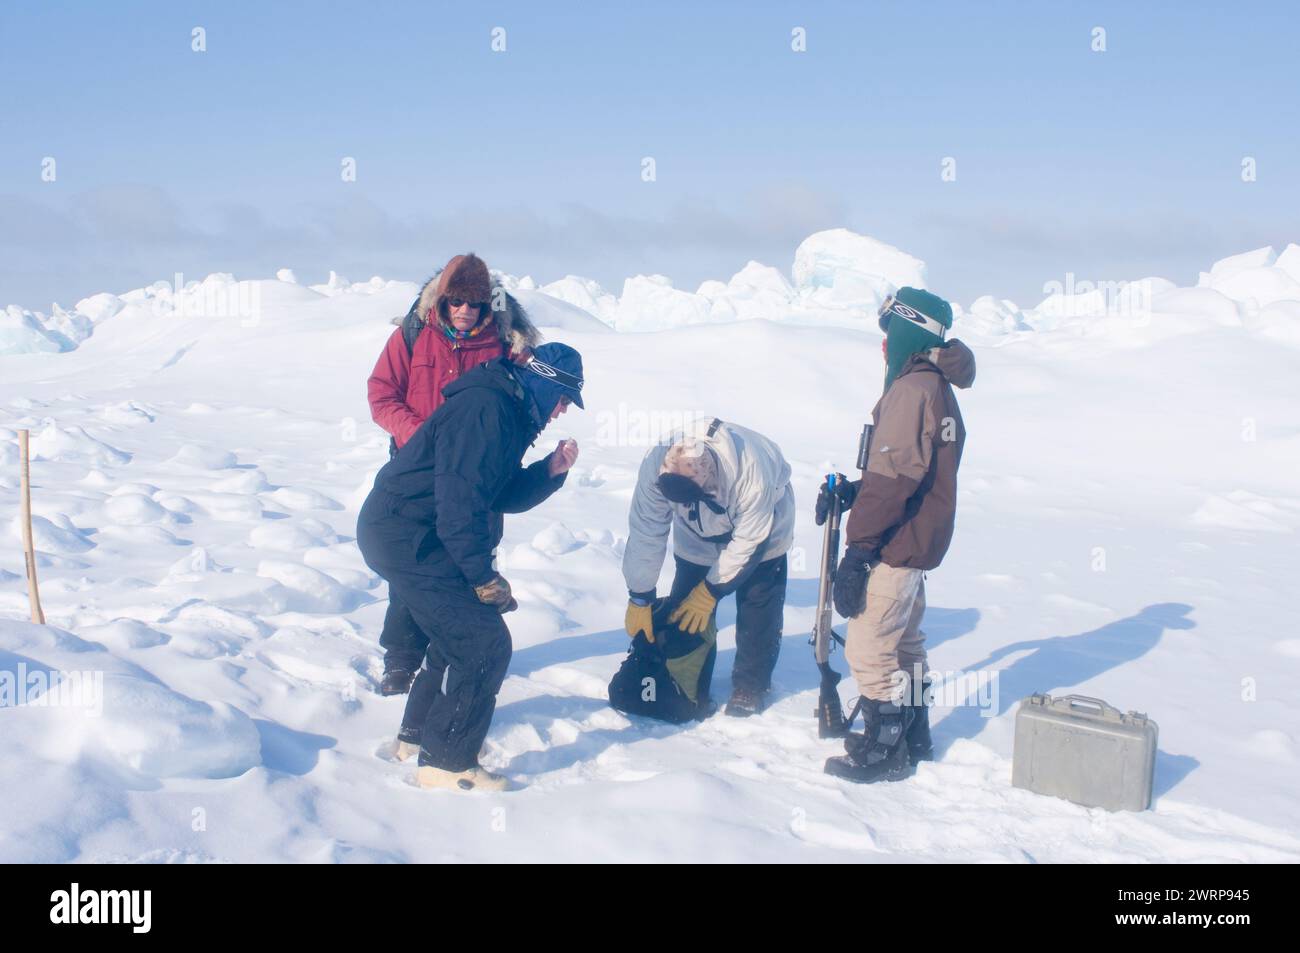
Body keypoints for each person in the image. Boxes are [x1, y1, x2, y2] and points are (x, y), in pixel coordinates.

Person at [357, 343, 585, 791]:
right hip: (407, 534)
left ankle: (420, 735)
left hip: (411, 530)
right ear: (544, 383)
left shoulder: (505, 409)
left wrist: (549, 471)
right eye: (563, 400)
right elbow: (459, 505)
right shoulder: (487, 410)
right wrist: (480, 576)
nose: (561, 412)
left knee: (461, 632)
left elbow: (494, 493)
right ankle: (447, 763)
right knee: (482, 642)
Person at [820, 287, 975, 784]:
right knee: (906, 645)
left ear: (907, 330)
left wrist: (860, 551)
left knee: (869, 647)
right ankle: (913, 734)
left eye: (888, 334)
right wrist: (856, 490)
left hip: (894, 545)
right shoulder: (935, 385)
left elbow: (893, 481)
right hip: (916, 542)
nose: (882, 345)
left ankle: (884, 748)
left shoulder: (911, 390)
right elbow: (907, 473)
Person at [366, 253, 540, 695]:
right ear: (442, 301)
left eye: (476, 303)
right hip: (416, 469)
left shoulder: (504, 344)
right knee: (415, 558)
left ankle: (458, 648)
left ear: (488, 306)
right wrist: (420, 436)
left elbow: (526, 399)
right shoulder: (412, 336)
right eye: (456, 301)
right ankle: (402, 659)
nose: (465, 311)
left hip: (479, 475)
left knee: (471, 553)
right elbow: (381, 395)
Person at [622, 417, 795, 717]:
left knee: (758, 599)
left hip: (765, 522)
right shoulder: (656, 465)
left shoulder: (752, 475)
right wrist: (640, 595)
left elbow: (749, 542)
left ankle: (750, 686)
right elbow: (646, 531)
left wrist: (712, 590)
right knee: (686, 606)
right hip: (694, 526)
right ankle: (687, 681)